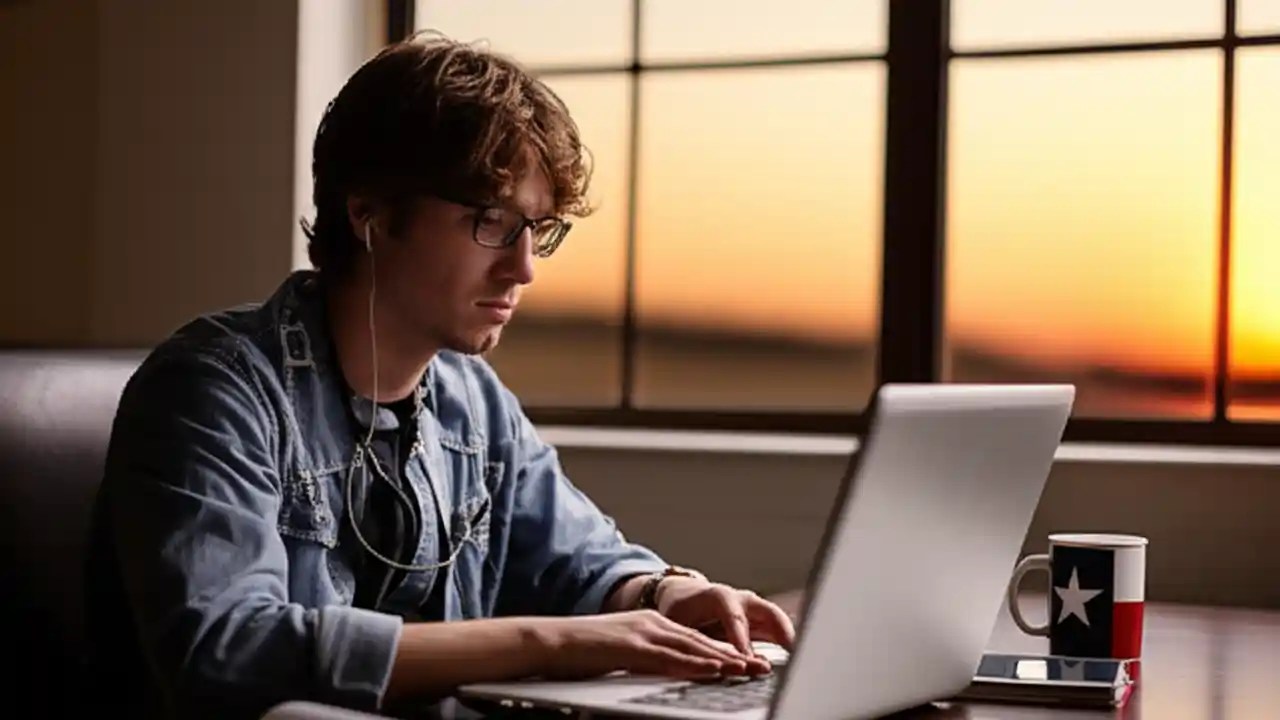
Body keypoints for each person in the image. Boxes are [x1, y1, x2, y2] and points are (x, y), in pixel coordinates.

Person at [85, 31, 795, 719]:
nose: (523, 268)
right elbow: (226, 650)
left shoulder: (471, 400)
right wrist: (546, 643)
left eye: (538, 230)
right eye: (491, 221)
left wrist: (660, 594)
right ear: (369, 214)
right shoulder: (214, 388)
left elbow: (576, 560)